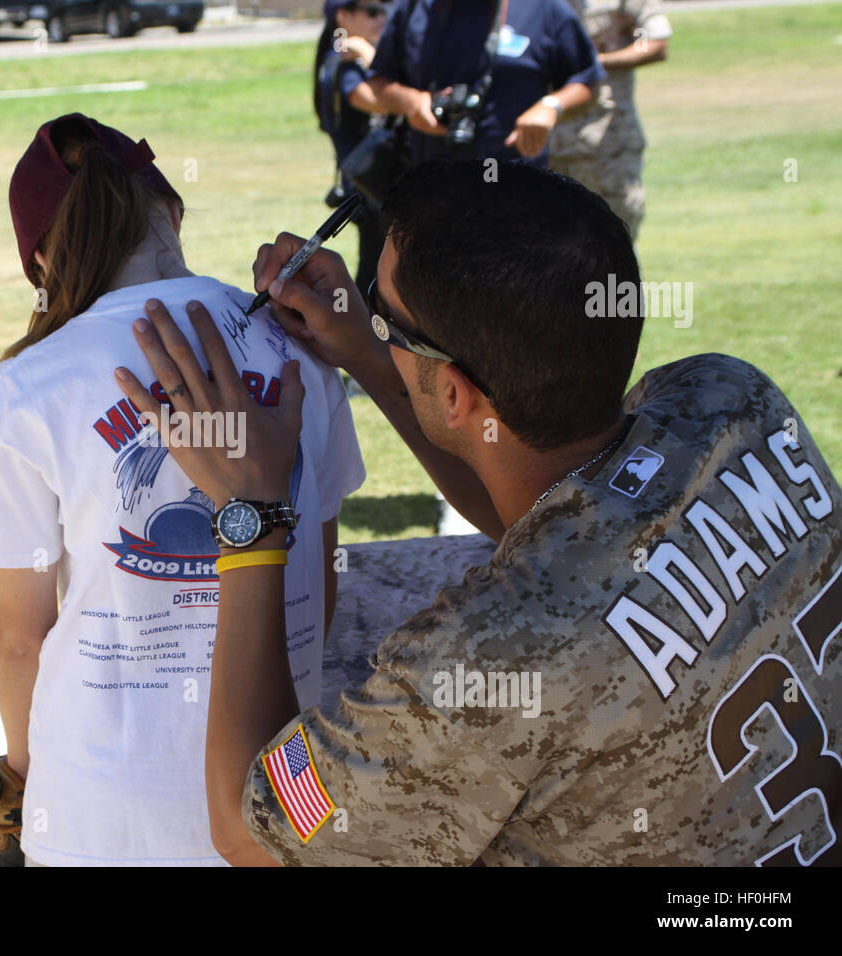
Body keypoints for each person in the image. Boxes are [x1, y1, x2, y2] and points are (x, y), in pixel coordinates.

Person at [118, 160, 842, 866]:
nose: (369, 314)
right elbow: (562, 519)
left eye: (383, 309)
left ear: (459, 392)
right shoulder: (730, 402)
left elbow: (251, 831)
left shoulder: (478, 662)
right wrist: (379, 353)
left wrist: (250, 513)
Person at [0, 113, 365, 867]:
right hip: (279, 795)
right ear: (170, 211)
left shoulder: (30, 386)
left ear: (42, 261)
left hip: (103, 811)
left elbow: (19, 635)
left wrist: (24, 774)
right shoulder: (304, 345)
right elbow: (318, 589)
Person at [368, 0, 605, 167]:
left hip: (516, 186)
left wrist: (551, 106)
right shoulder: (414, 7)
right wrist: (411, 101)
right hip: (429, 182)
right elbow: (380, 80)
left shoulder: (544, 8)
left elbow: (588, 80)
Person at [548, 0, 672, 238]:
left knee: (612, 243)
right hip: (538, 142)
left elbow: (656, 44)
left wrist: (595, 63)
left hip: (605, 143)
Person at [314, 0, 389, 291]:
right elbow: (378, 101)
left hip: (373, 186)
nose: (380, 18)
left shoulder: (353, 59)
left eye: (384, 10)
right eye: (371, 12)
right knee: (375, 274)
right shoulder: (345, 62)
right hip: (369, 190)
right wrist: (370, 54)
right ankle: (363, 331)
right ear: (343, 16)